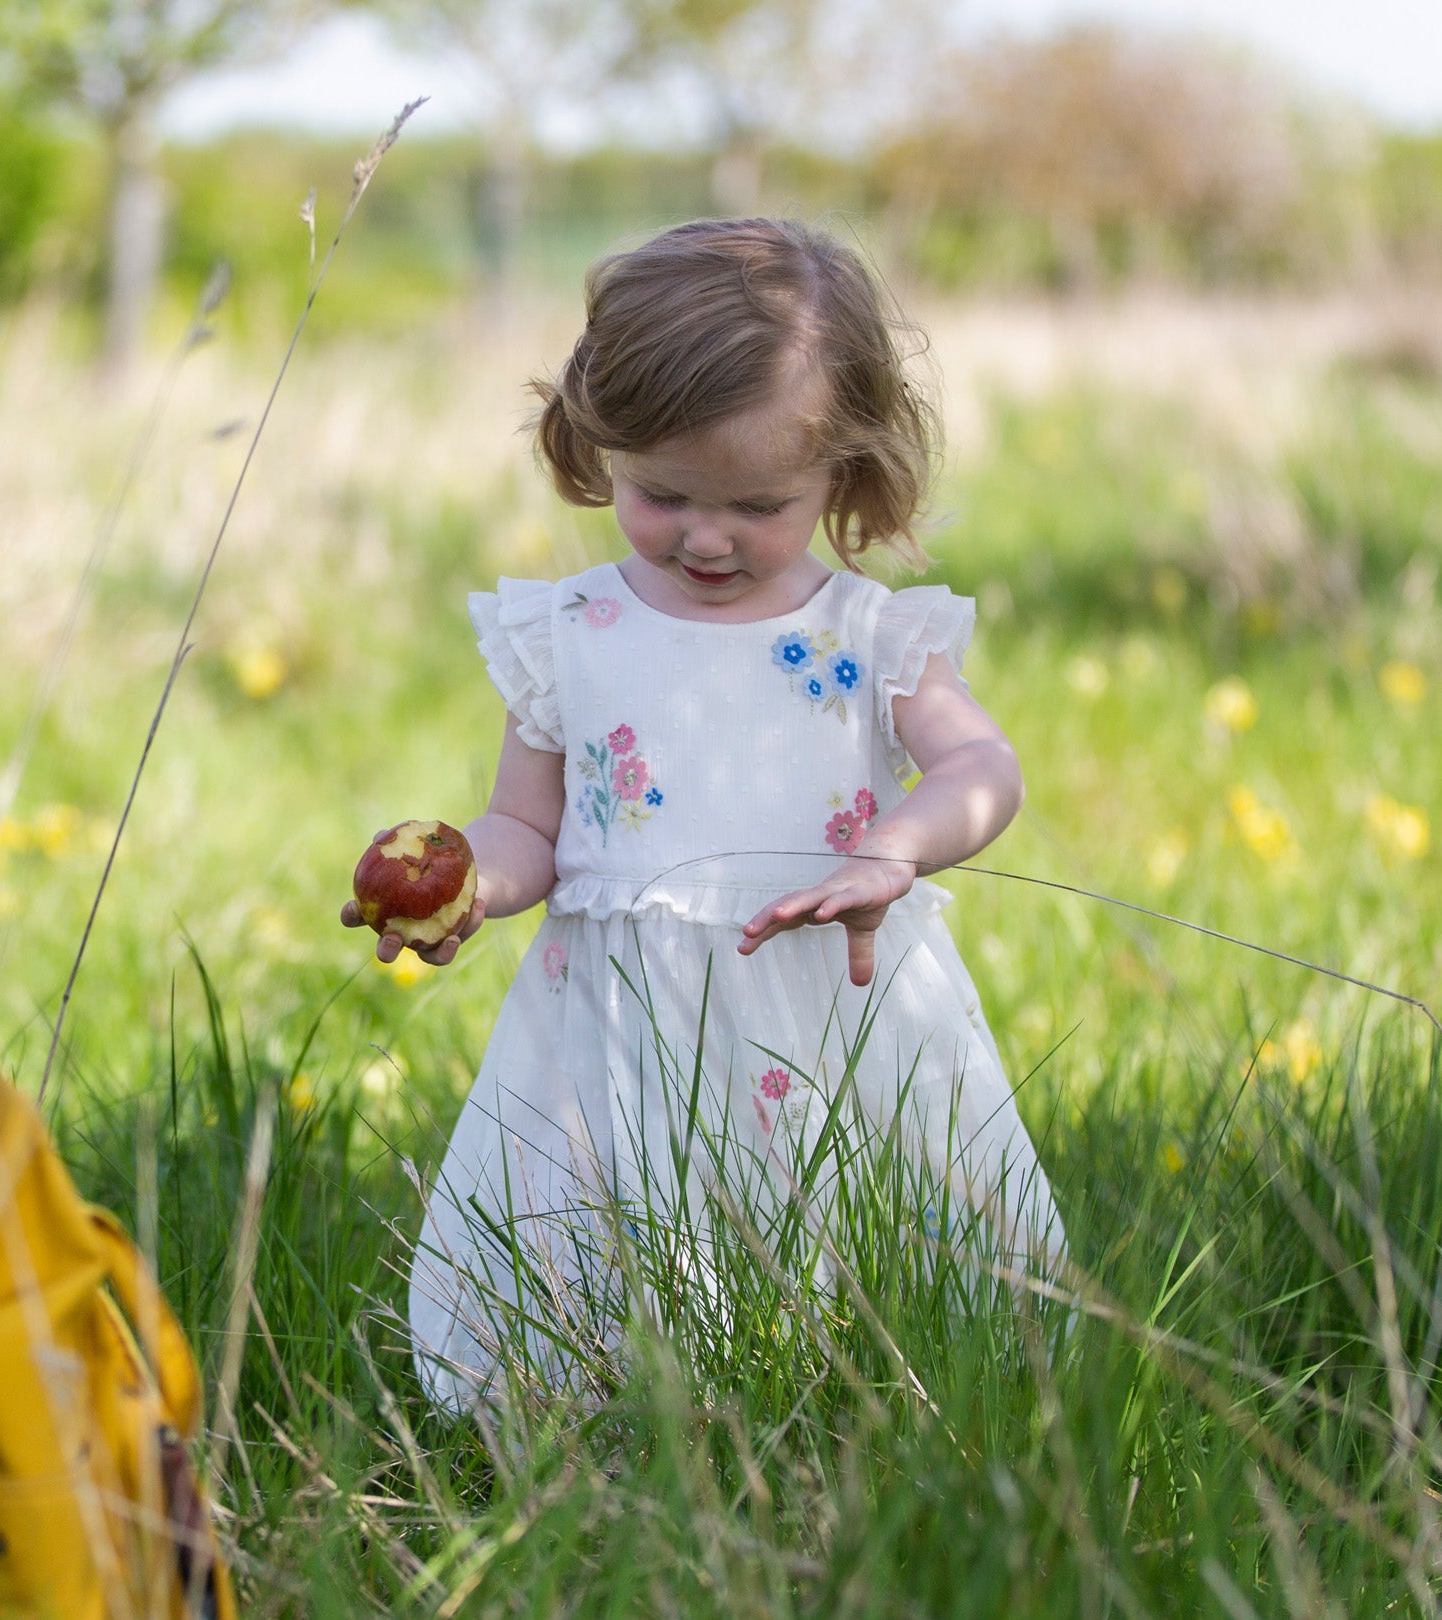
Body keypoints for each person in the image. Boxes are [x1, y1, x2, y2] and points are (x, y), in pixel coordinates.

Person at [357, 219, 1067, 1410]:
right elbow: (528, 829)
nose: (705, 536)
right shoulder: (572, 634)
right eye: (661, 493)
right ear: (602, 451)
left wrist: (894, 850)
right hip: (625, 1017)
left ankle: (856, 1396)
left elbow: (983, 769)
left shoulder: (871, 633)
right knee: (610, 1219)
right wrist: (466, 885)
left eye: (757, 503)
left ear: (842, 473)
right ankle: (611, 1410)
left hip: (824, 997)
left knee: (847, 1214)